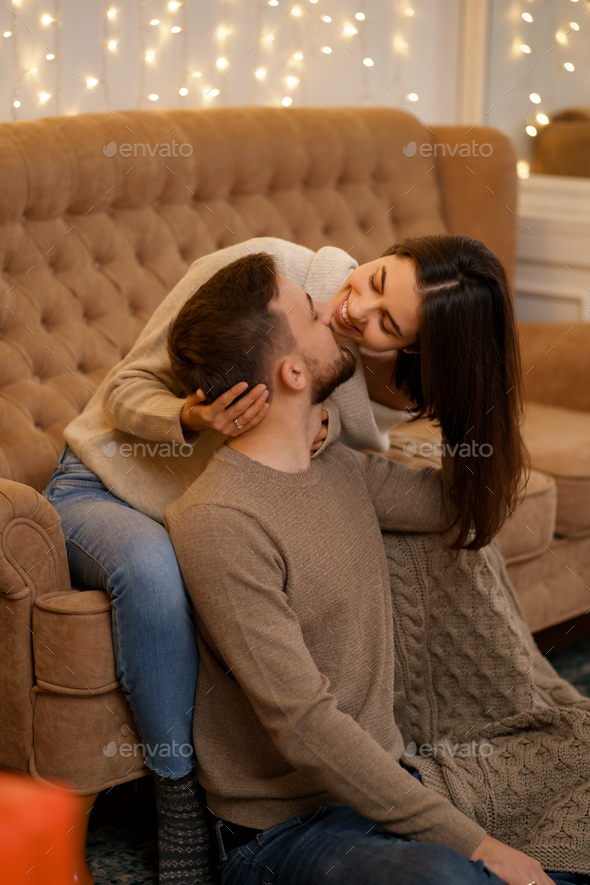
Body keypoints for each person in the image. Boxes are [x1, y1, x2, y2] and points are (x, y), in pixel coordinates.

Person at [42, 234, 528, 884]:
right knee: (154, 568)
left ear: (408, 347)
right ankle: (182, 806)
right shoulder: (263, 278)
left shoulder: (352, 372)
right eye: (376, 281)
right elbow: (124, 390)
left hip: (227, 493)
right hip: (112, 475)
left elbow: (440, 498)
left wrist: (485, 415)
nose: (356, 314)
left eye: (389, 324)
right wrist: (193, 415)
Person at [164, 250, 562, 885]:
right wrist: (479, 844)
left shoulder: (340, 469)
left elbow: (468, 502)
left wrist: (467, 369)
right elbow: (304, 724)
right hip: (281, 834)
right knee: (450, 878)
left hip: (386, 796)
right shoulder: (219, 519)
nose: (333, 309)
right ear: (293, 372)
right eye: (309, 311)